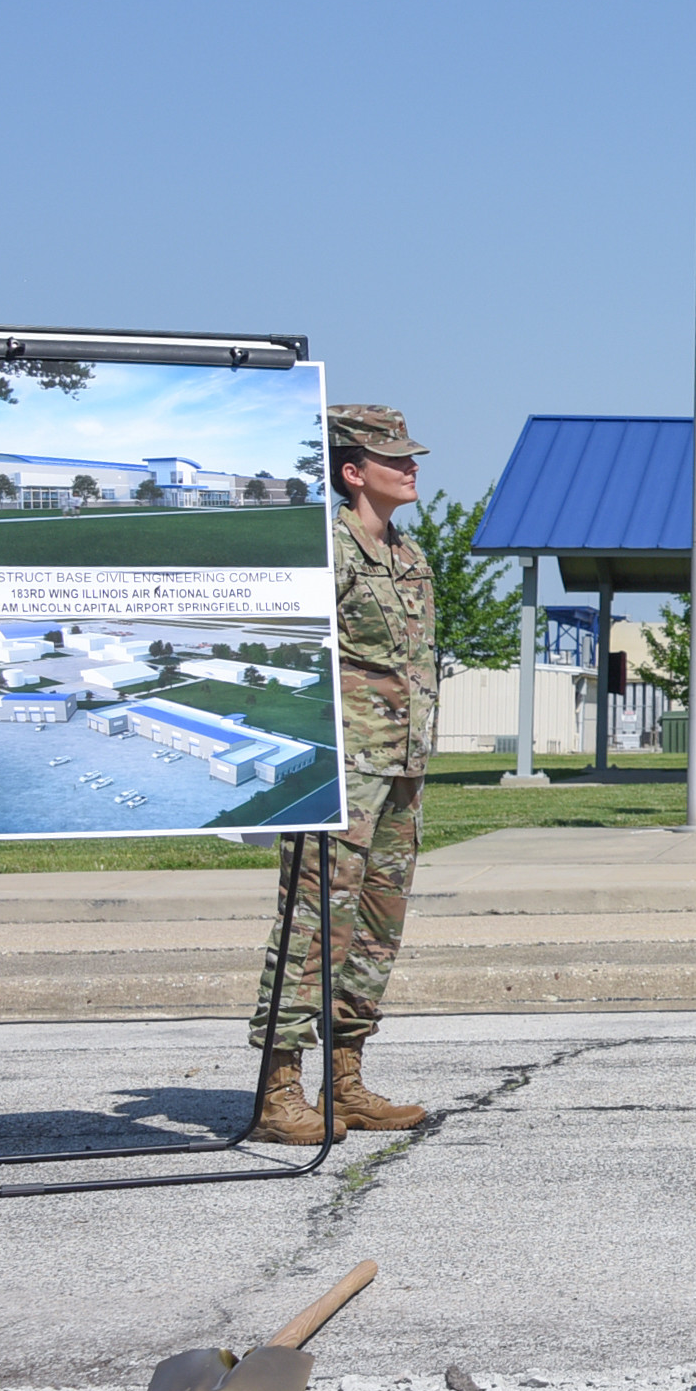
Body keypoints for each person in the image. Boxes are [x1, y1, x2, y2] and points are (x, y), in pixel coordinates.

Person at [248, 403, 438, 1143]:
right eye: (395, 460)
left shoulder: (409, 554)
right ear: (352, 471)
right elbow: (287, 656)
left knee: (374, 928)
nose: (411, 467)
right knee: (312, 924)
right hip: (342, 770)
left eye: (412, 457)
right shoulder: (324, 551)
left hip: (400, 767)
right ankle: (278, 1090)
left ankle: (347, 1082)